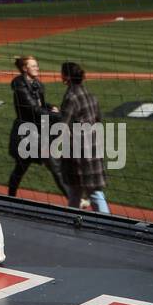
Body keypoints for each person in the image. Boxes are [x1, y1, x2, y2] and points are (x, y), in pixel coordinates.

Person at [6, 55, 71, 200]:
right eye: (33, 66)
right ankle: (10, 198)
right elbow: (33, 109)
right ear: (24, 68)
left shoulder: (37, 84)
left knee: (53, 166)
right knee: (22, 168)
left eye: (37, 65)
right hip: (27, 134)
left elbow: (40, 105)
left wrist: (51, 107)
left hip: (39, 133)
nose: (37, 68)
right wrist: (59, 117)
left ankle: (73, 200)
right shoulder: (20, 86)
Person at [57, 61, 110, 214]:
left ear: (66, 77)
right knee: (79, 192)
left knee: (91, 193)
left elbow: (62, 125)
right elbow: (98, 120)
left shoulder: (71, 97)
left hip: (78, 153)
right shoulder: (91, 96)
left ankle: (107, 224)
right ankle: (73, 219)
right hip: (93, 148)